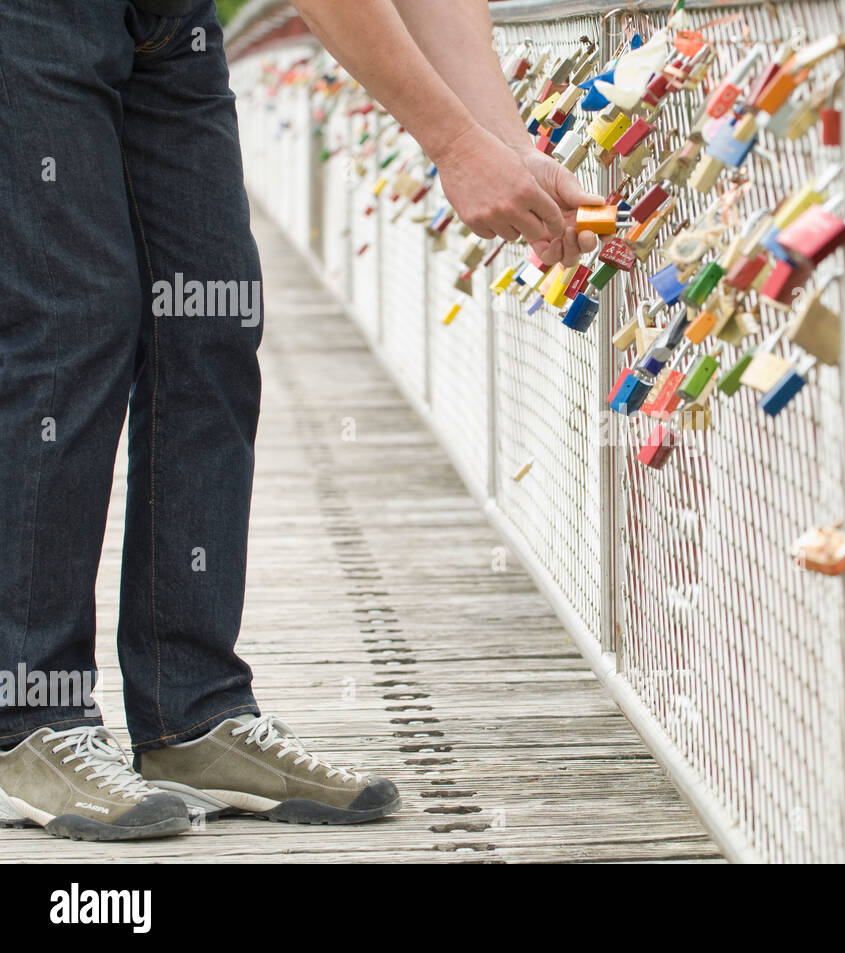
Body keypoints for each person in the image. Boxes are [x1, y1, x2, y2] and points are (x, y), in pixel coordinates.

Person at [0, 0, 600, 840]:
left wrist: (506, 149)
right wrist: (455, 146)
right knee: (74, 318)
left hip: (173, 21)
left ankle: (193, 717)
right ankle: (28, 719)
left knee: (210, 322)